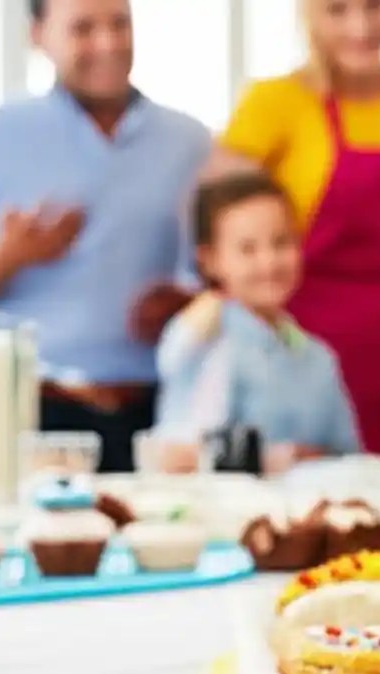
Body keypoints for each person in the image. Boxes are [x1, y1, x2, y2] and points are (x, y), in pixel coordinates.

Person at [0, 0, 210, 472]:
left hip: (161, 414)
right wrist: (7, 256)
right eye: (83, 28)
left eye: (119, 24)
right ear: (38, 34)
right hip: (34, 417)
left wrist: (184, 301)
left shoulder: (190, 142)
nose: (108, 43)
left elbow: (218, 275)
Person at [214, 0, 380, 455]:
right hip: (302, 365)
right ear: (308, 16)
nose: (360, 26)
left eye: (375, 7)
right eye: (337, 10)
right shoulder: (274, 102)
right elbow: (215, 222)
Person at [153, 175, 361, 472]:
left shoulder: (318, 358)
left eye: (281, 242)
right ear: (209, 259)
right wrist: (283, 460)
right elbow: (177, 458)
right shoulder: (204, 338)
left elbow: (349, 457)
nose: (269, 262)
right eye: (247, 249)